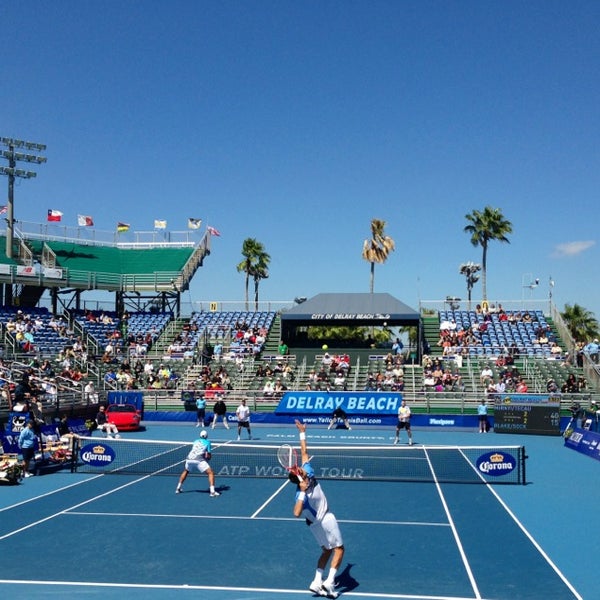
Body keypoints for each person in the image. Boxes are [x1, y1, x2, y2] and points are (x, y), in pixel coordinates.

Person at [288, 420, 344, 599]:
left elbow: (304, 452)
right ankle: (329, 581)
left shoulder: (307, 472)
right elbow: (295, 513)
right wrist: (303, 493)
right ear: (299, 476)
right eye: (299, 470)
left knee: (326, 550)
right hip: (325, 518)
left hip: (312, 524)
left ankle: (316, 582)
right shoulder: (300, 494)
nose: (301, 468)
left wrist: (302, 432)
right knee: (340, 549)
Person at [175, 429, 219, 496]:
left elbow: (197, 450)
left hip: (189, 458)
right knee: (210, 473)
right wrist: (208, 458)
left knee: (186, 471)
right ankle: (212, 492)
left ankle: (178, 488)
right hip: (198, 460)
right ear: (206, 436)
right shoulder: (208, 442)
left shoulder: (195, 441)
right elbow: (209, 454)